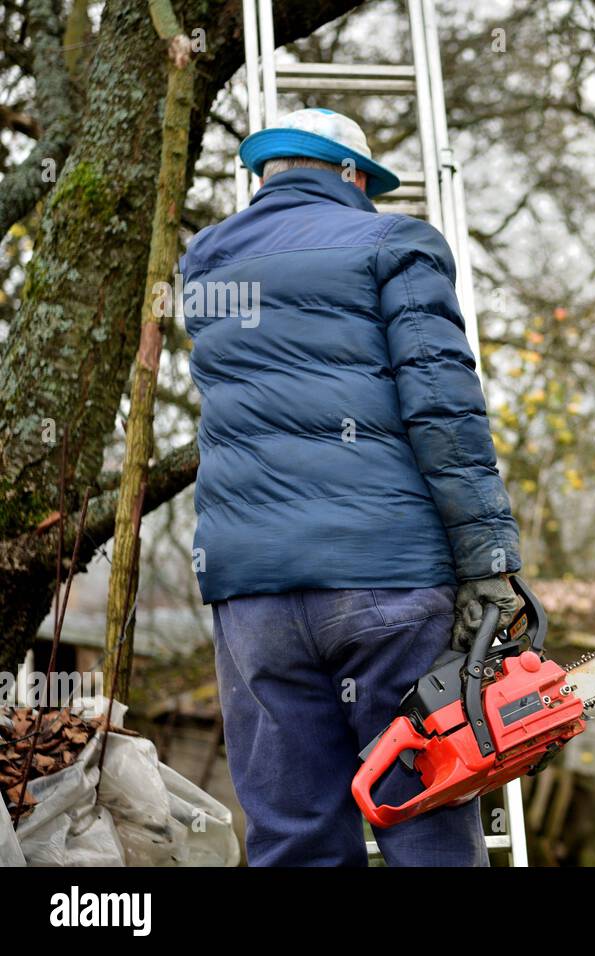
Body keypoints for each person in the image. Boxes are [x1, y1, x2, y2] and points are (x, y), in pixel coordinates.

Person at [179, 108, 521, 866]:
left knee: (294, 836)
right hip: (386, 584)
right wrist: (491, 562)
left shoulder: (204, 262)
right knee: (423, 815)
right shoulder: (395, 243)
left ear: (266, 174)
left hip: (253, 597)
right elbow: (443, 412)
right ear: (352, 175)